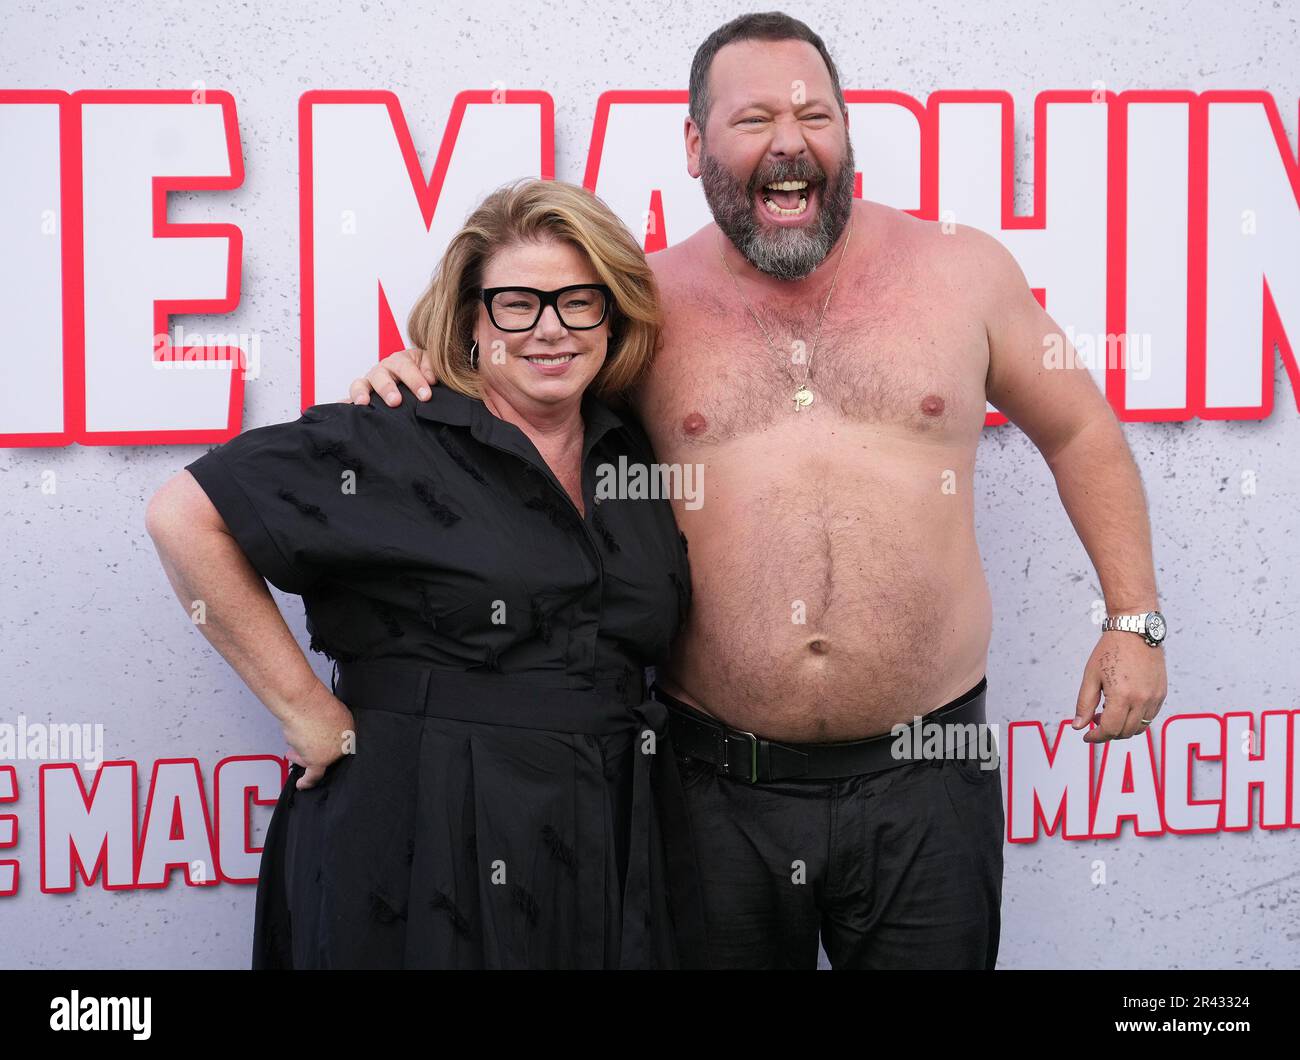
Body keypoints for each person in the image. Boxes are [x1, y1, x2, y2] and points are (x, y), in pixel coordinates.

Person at [349, 12, 1170, 970]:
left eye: (815, 115)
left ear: (846, 134)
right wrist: (418, 370)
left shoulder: (966, 271)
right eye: (753, 120)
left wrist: (1134, 618)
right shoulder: (640, 309)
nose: (790, 141)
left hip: (928, 782)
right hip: (711, 791)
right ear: (695, 143)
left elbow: (1080, 428)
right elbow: (529, 379)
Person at [145, 178, 706, 969]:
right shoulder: (391, 438)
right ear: (471, 318)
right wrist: (303, 707)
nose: (551, 329)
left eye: (581, 301)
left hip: (609, 828)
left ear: (612, 317)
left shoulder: (632, 452)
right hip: (422, 830)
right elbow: (183, 515)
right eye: (517, 303)